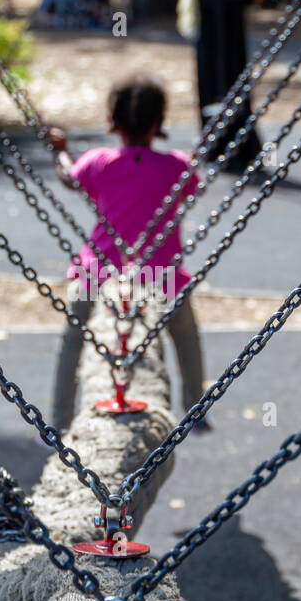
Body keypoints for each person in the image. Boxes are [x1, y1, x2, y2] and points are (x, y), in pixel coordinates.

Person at [46, 76, 207, 431]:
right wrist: (192, 158)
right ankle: (196, 408)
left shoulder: (98, 162)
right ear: (157, 124)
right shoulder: (175, 166)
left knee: (73, 340)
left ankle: (58, 421)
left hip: (99, 270)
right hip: (160, 271)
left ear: (112, 122)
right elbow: (195, 186)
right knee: (185, 336)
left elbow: (69, 178)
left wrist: (60, 149)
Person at [176, 0, 274, 177]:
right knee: (225, 95)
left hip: (225, 46)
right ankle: (227, 150)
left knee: (233, 94)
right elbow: (221, 3)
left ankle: (237, 149)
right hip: (218, 50)